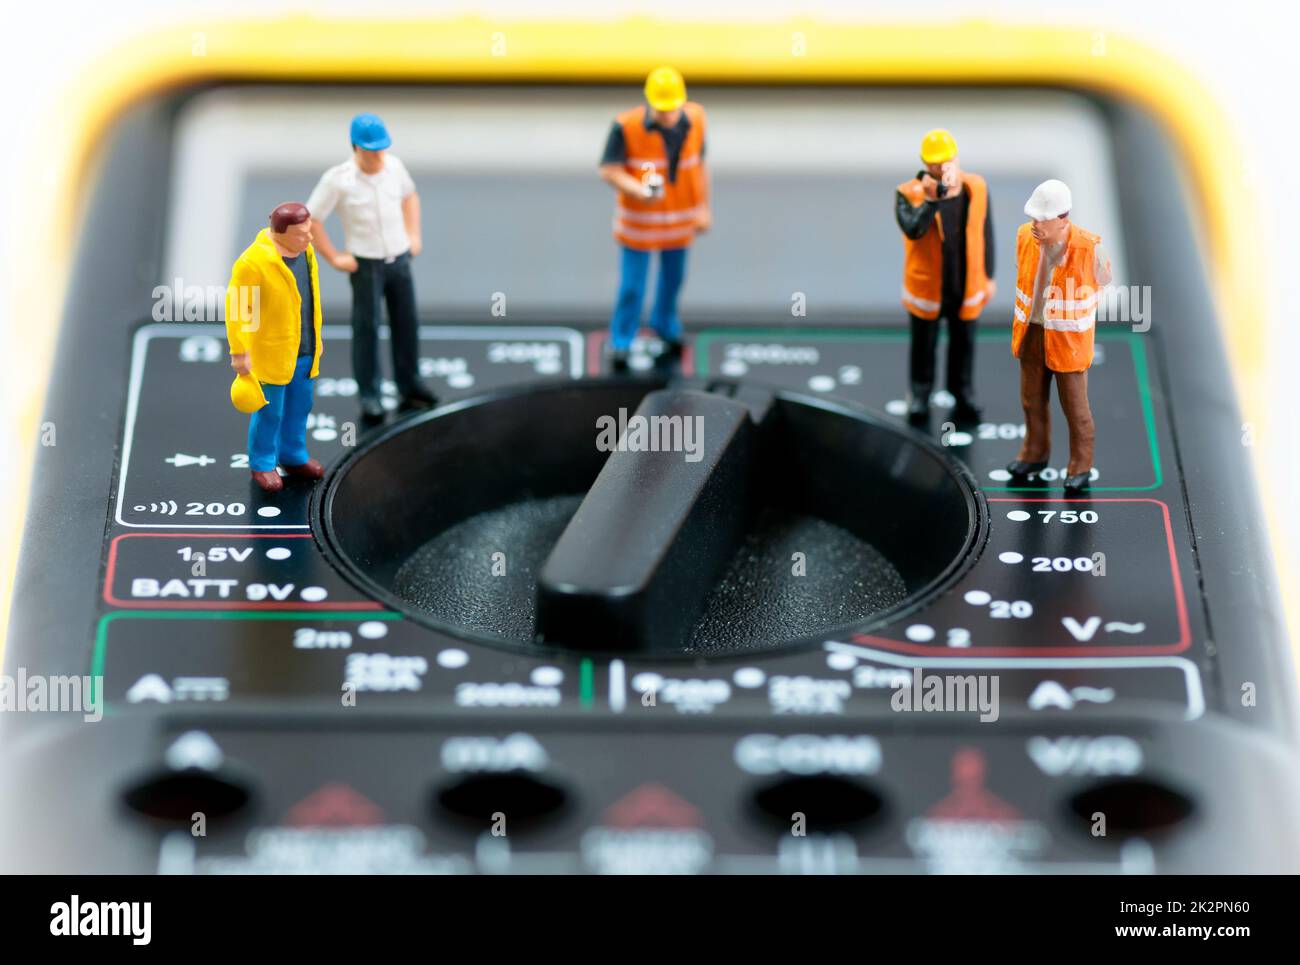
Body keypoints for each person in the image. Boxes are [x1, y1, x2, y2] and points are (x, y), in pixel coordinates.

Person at [307, 113, 437, 419]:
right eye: (372, 149)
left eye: (382, 148)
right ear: (356, 148)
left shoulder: (394, 167)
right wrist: (335, 257)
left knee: (407, 322)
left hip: (400, 258)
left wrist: (414, 234)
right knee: (367, 328)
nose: (379, 154)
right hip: (366, 265)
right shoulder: (338, 179)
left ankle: (410, 383)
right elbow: (312, 219)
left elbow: (410, 196)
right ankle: (370, 394)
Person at [598, 66, 712, 371]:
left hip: (679, 223)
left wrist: (702, 208)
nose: (668, 115)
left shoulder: (697, 119)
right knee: (632, 287)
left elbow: (699, 166)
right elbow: (608, 169)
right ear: (650, 103)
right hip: (640, 223)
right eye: (662, 109)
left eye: (672, 108)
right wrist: (638, 189)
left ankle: (667, 328)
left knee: (672, 281)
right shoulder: (626, 126)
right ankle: (622, 341)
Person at [1007, 179, 1112, 493]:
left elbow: (1105, 280)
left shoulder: (1089, 248)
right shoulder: (1024, 237)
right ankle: (1034, 454)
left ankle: (1080, 465)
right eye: (1033, 218)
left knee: (1076, 409)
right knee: (1031, 401)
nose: (1035, 225)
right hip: (1032, 332)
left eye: (1043, 219)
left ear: (1063, 218)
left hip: (1067, 343)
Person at [895, 128, 995, 425]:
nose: (943, 168)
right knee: (924, 345)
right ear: (926, 165)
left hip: (965, 284)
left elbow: (985, 232)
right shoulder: (908, 194)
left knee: (964, 344)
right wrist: (930, 200)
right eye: (936, 164)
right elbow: (913, 228)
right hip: (928, 288)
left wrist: (988, 275)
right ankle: (920, 394)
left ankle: (962, 392)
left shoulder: (975, 187)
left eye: (948, 161)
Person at [225, 202, 324, 494]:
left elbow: (311, 299)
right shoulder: (253, 263)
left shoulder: (306, 252)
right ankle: (263, 463)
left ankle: (293, 456)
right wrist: (240, 351)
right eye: (301, 233)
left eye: (309, 231)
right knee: (270, 412)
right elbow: (238, 310)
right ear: (278, 231)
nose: (309, 237)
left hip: (305, 350)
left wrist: (318, 338)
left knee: (300, 407)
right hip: (269, 355)